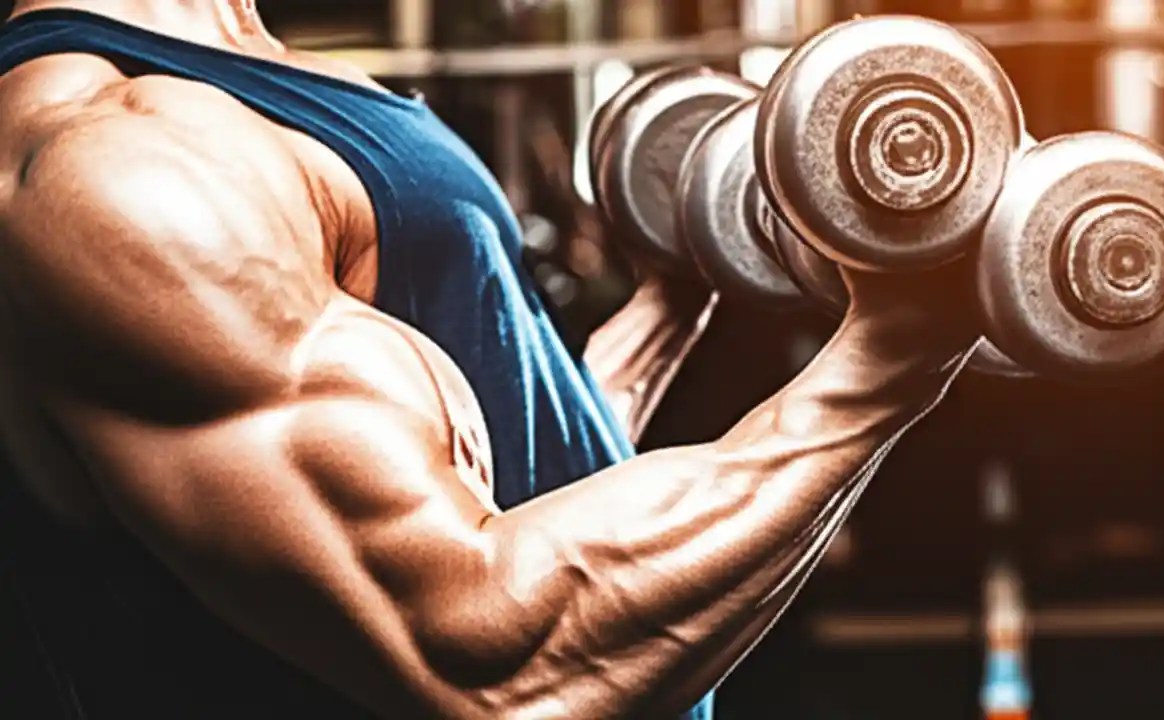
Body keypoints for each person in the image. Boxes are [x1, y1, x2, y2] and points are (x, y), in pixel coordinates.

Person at [0, 1, 977, 717]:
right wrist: (894, 357)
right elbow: (489, 660)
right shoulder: (116, 167)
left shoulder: (252, 85)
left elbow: (499, 465)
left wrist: (677, 299)